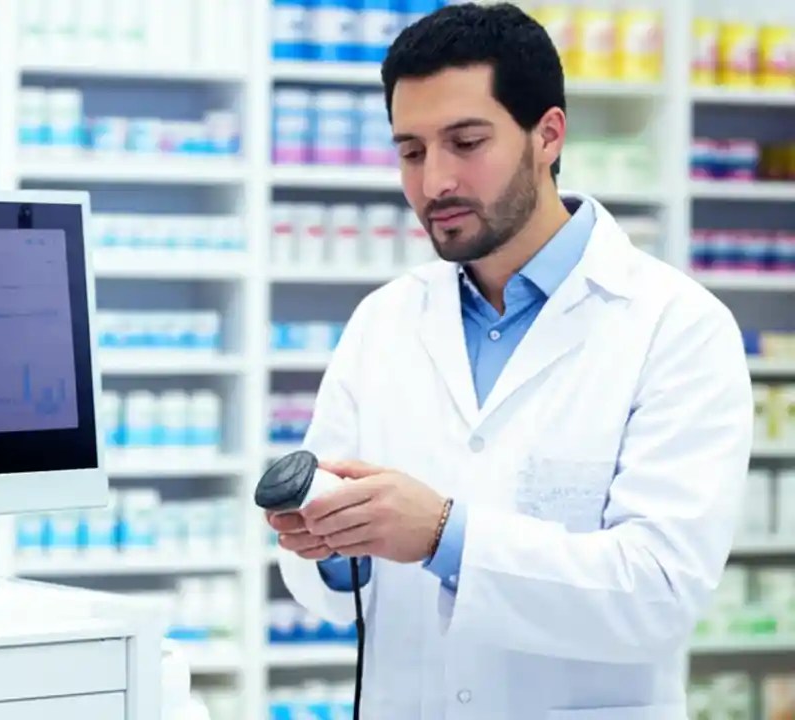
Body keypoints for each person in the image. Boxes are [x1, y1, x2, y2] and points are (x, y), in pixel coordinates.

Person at [268, 4, 754, 719]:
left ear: (547, 135)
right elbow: (328, 584)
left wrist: (441, 535)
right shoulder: (385, 321)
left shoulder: (676, 327)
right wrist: (329, 545)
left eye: (466, 142)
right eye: (411, 151)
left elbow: (659, 590)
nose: (434, 182)